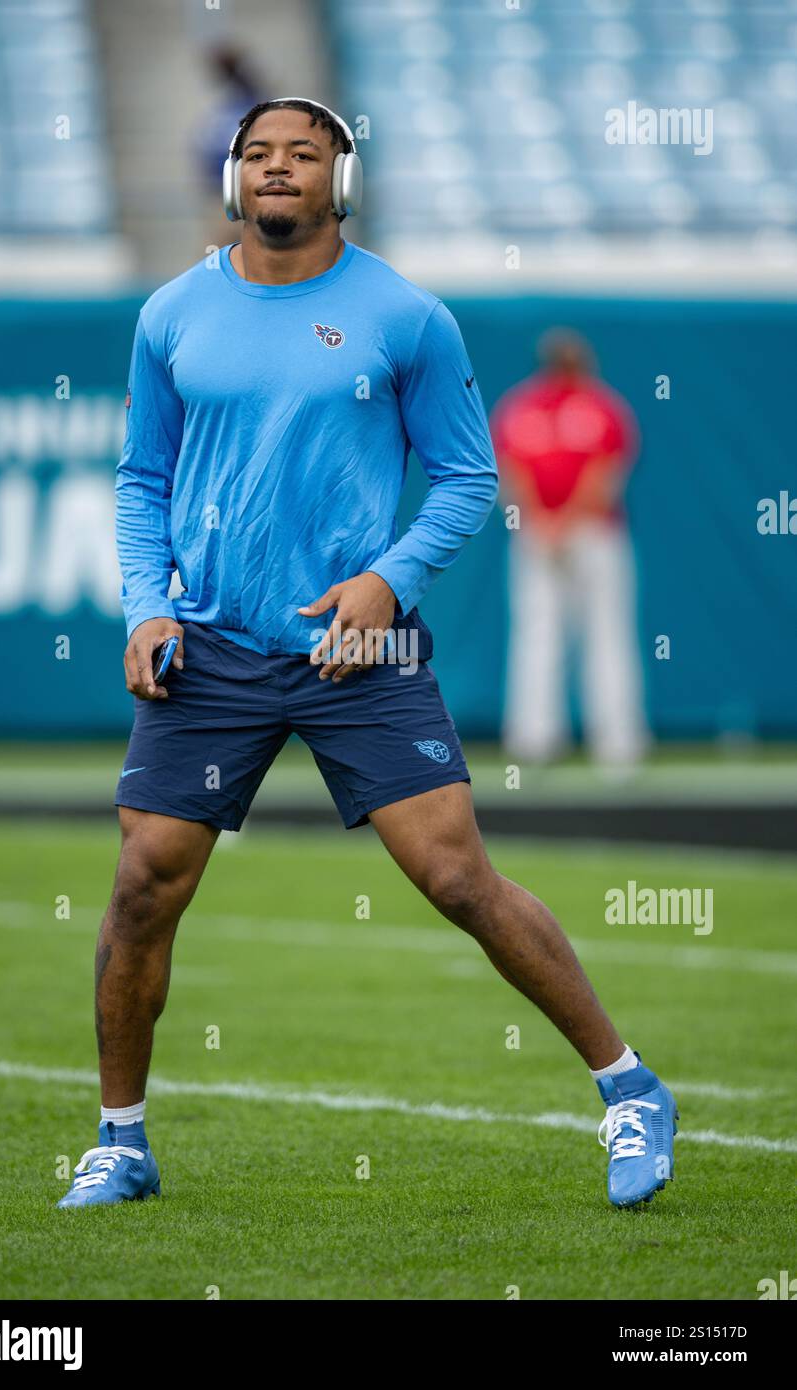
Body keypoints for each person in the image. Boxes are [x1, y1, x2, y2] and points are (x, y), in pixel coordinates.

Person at [57, 100, 677, 1213]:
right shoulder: (172, 313)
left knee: (454, 878)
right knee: (143, 884)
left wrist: (385, 581)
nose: (278, 168)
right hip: (209, 648)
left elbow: (465, 479)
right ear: (234, 177)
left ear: (341, 179)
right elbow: (141, 479)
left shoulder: (406, 315)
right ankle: (120, 1140)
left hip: (362, 644)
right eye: (258, 154)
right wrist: (145, 608)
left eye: (303, 153)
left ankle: (628, 1087)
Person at [491, 329, 649, 767]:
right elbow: (603, 475)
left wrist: (544, 521)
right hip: (584, 532)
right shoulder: (601, 404)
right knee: (596, 636)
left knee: (545, 636)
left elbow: (510, 474)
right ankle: (612, 746)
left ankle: (539, 743)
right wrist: (556, 522)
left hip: (552, 533)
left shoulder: (521, 405)